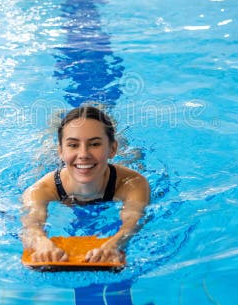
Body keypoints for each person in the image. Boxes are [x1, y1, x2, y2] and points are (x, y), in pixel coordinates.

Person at [21, 105, 150, 263]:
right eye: (73, 145)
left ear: (112, 149)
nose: (83, 154)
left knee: (133, 156)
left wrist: (115, 243)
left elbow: (133, 221)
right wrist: (41, 242)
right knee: (42, 159)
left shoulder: (131, 183)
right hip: (55, 164)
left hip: (111, 163)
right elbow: (31, 226)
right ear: (60, 151)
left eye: (95, 144)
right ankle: (60, 124)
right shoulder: (40, 189)